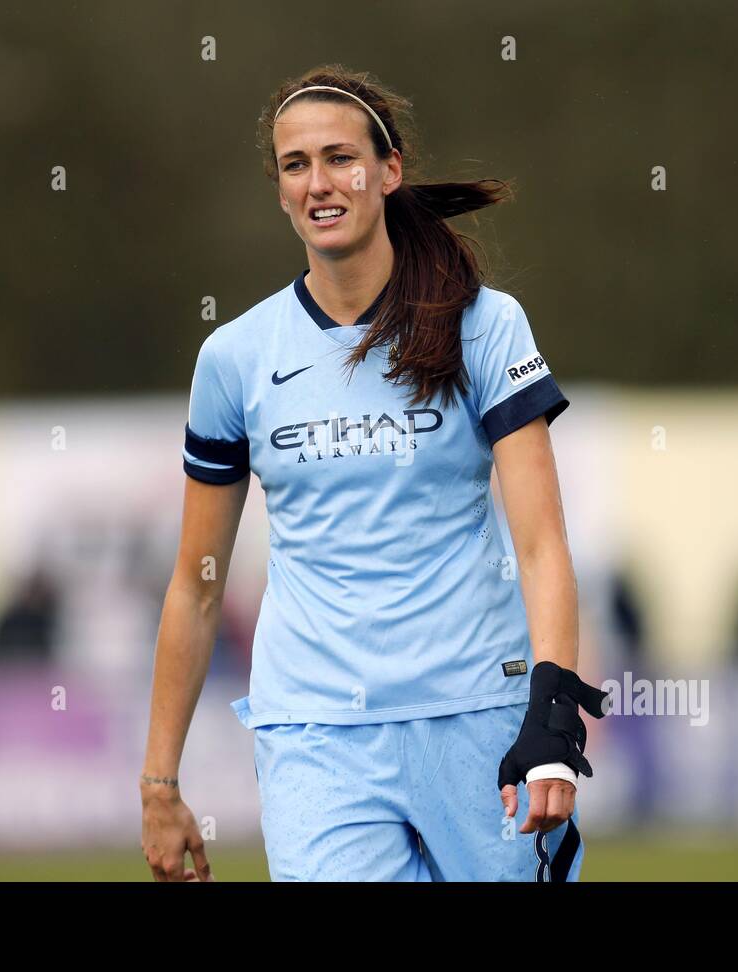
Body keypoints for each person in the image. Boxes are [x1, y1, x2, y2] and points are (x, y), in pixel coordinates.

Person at [140, 65, 608, 882]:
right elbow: (196, 583)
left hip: (476, 714)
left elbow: (540, 546)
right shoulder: (235, 358)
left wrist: (554, 711)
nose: (318, 183)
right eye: (295, 165)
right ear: (279, 188)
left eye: (339, 158)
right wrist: (158, 784)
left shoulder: (484, 326)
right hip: (316, 733)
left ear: (388, 171)